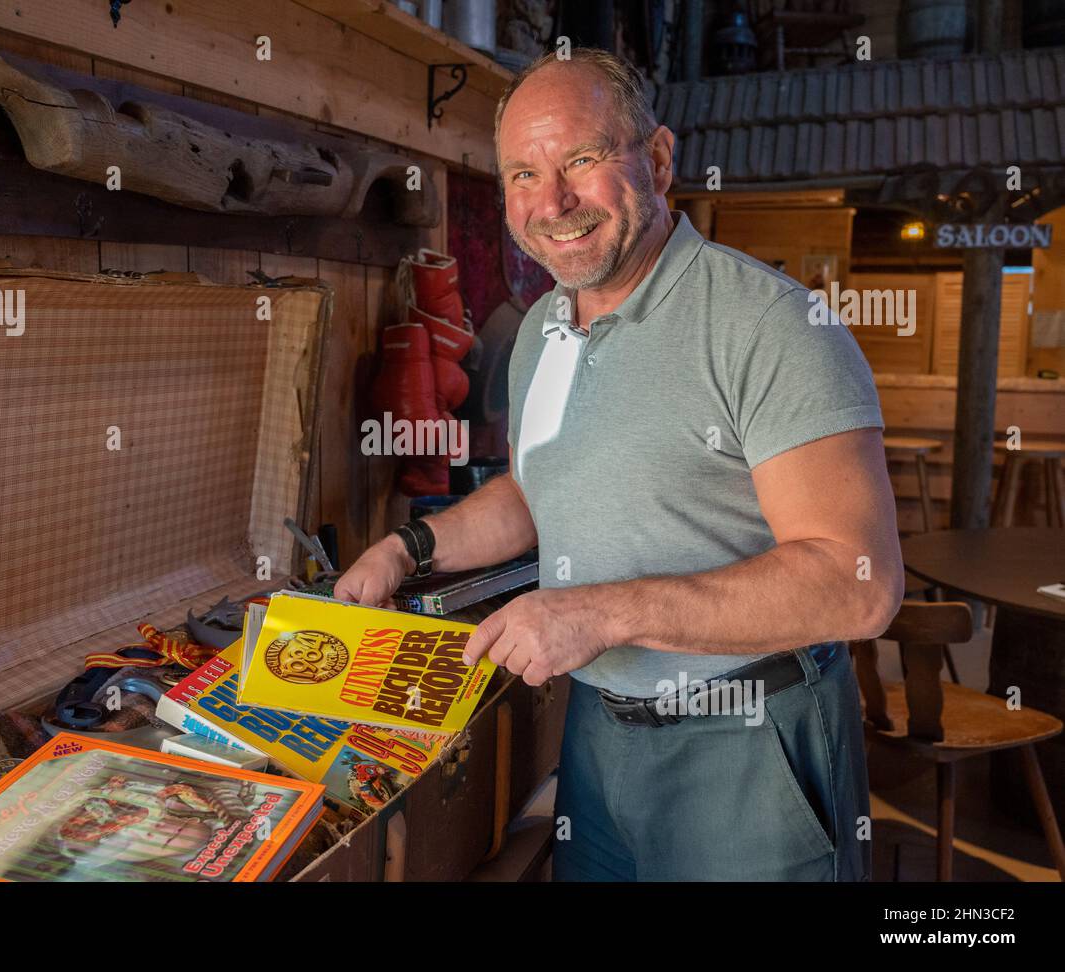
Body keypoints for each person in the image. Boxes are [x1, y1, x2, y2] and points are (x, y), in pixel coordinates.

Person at [333, 48, 903, 881]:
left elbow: (857, 585)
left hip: (747, 741)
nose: (552, 202)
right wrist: (407, 549)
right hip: (601, 732)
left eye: (582, 161)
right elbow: (539, 489)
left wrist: (598, 614)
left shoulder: (772, 326)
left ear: (661, 160)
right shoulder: (542, 328)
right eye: (523, 174)